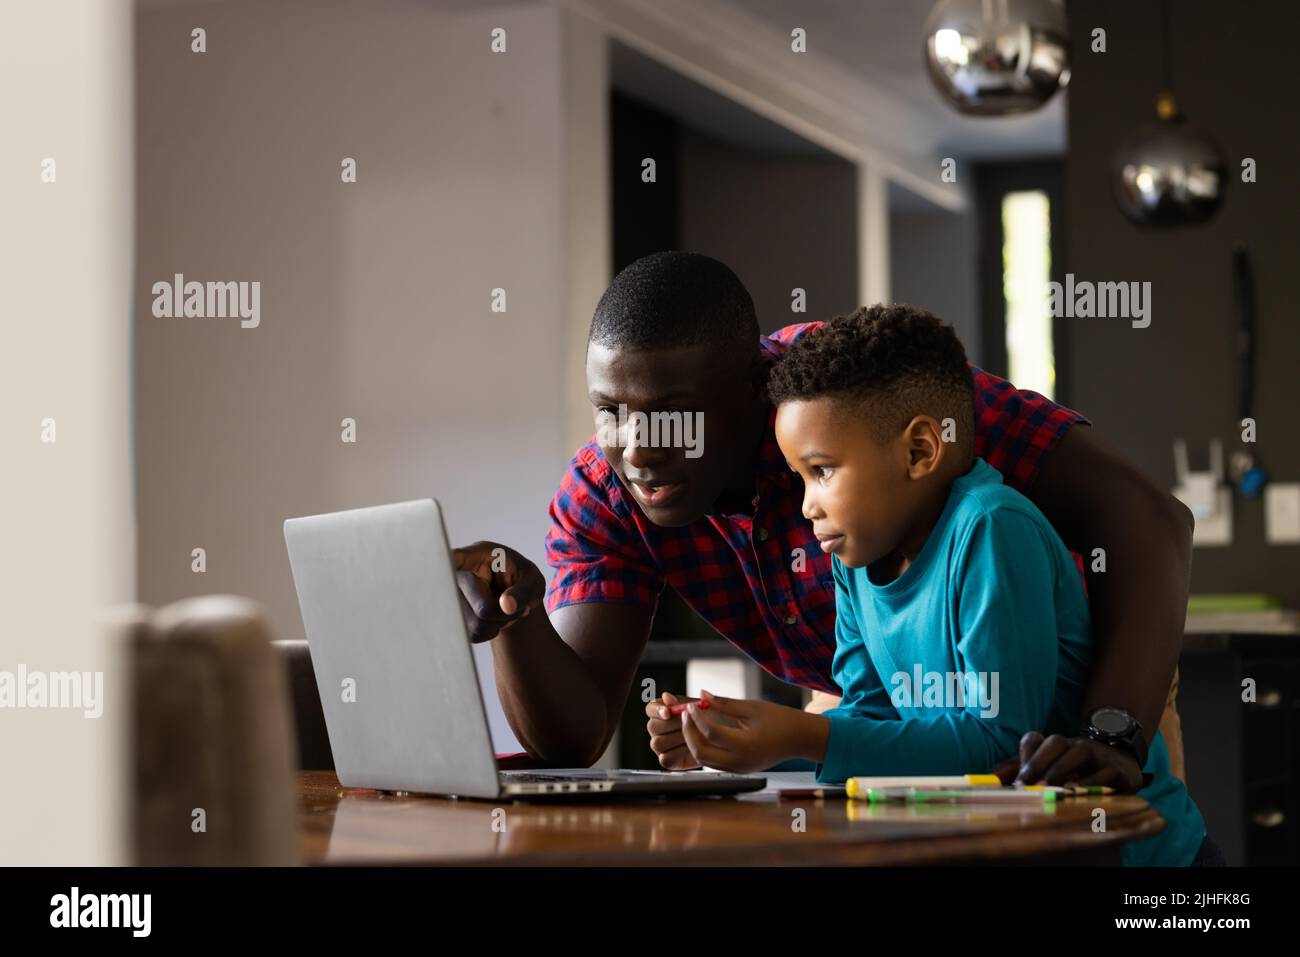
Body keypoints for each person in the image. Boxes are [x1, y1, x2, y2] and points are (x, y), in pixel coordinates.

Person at [452, 251, 1191, 793]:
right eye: (610, 412)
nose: (639, 449)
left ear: (753, 392)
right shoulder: (606, 492)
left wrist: (1112, 733)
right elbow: (573, 737)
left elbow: (1149, 522)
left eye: (674, 415)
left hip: (1087, 711)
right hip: (893, 718)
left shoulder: (857, 401)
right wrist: (515, 619)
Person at [670, 305, 1207, 866]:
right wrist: (740, 742)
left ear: (920, 450)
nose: (807, 505)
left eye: (822, 471)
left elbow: (999, 742)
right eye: (799, 477)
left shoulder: (991, 527)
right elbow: (870, 718)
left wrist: (801, 737)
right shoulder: (854, 560)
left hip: (1128, 852)